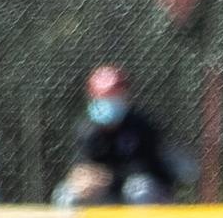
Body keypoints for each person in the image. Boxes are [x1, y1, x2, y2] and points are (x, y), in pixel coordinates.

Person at [53, 65, 176, 206]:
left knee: (139, 190)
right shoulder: (86, 129)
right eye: (102, 96)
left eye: (112, 95)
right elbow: (81, 166)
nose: (107, 101)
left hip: (138, 190)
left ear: (124, 95)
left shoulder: (142, 126)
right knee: (66, 193)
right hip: (102, 191)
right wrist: (82, 179)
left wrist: (109, 178)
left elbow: (149, 170)